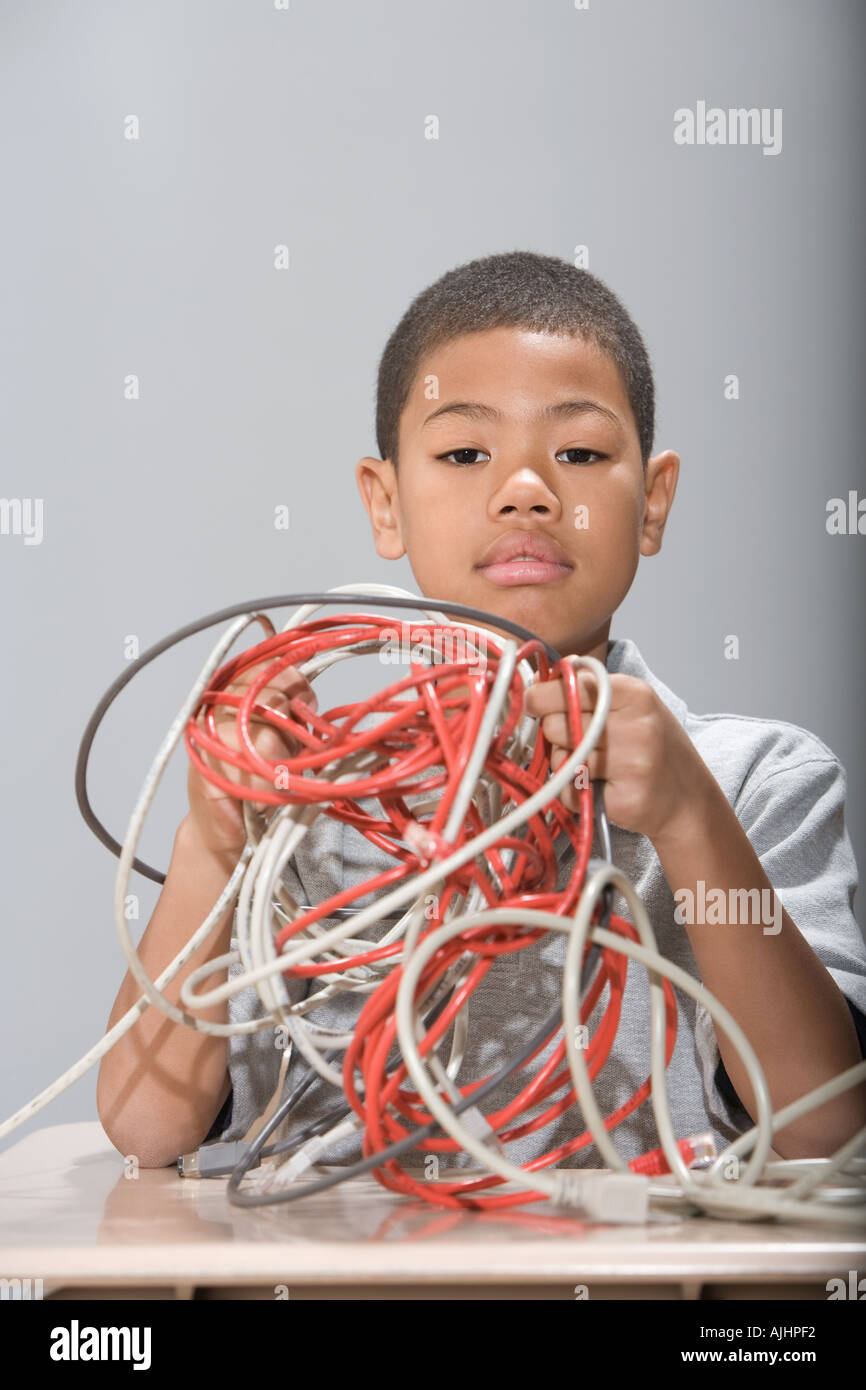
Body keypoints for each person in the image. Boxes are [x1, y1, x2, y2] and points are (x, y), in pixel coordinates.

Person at [96, 250, 866, 1174]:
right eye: (465, 454)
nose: (526, 490)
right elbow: (145, 1129)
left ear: (653, 504)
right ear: (386, 505)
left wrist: (691, 818)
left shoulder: (756, 780)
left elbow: (827, 1124)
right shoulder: (304, 812)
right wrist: (216, 839)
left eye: (579, 453)